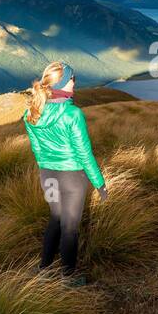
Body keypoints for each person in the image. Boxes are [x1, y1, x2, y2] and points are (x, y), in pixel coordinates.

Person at [21, 61, 106, 286]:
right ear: (62, 82)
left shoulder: (31, 112)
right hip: (73, 178)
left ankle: (43, 268)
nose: (74, 83)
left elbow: (37, 150)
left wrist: (47, 168)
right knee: (70, 227)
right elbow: (84, 154)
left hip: (47, 176)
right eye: (72, 79)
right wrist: (100, 183)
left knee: (55, 220)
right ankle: (68, 278)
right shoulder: (73, 114)